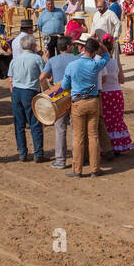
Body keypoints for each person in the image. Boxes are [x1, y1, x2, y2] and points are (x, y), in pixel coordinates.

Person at [62, 38, 110, 176]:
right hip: (93, 101)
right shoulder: (96, 64)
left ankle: (77, 170)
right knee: (93, 135)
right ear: (94, 52)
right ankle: (95, 169)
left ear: (83, 49)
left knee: (78, 137)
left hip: (78, 102)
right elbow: (107, 55)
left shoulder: (72, 65)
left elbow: (65, 86)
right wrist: (101, 45)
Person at [7, 30, 46, 163]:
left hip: (17, 91)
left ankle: (22, 153)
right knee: (35, 123)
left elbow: (10, 80)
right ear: (32, 46)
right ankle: (38, 153)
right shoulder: (37, 58)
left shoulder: (15, 60)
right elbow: (44, 76)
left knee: (19, 123)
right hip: (30, 91)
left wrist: (13, 93)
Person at [40, 35, 77, 169]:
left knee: (60, 129)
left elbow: (42, 77)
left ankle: (60, 160)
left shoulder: (52, 60)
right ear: (68, 47)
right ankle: (77, 158)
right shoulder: (76, 59)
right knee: (75, 129)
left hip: (58, 95)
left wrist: (46, 92)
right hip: (74, 94)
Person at [99, 44, 132, 154]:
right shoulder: (115, 62)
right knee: (117, 119)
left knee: (105, 120)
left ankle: (106, 147)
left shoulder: (98, 62)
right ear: (112, 49)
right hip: (116, 93)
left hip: (104, 94)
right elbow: (122, 80)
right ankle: (118, 145)